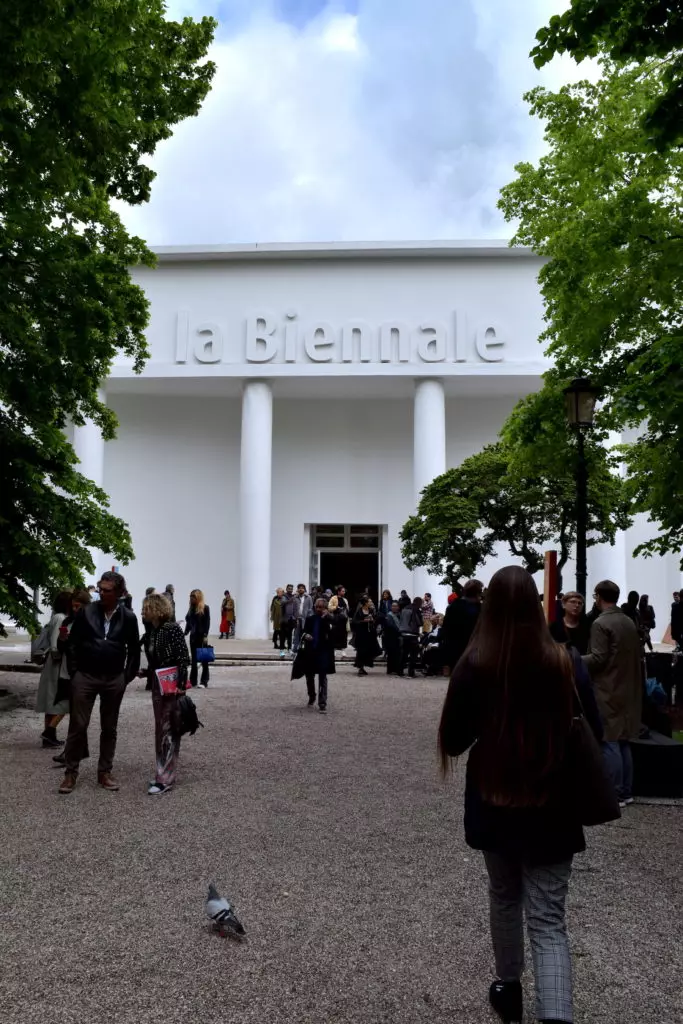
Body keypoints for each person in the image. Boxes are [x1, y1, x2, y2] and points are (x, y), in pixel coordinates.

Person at [439, 565, 602, 1024]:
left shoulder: (476, 663)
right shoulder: (565, 661)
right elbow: (595, 728)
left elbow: (453, 740)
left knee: (505, 894)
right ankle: (555, 1014)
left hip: (496, 798)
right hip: (554, 798)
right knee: (549, 918)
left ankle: (508, 985)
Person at [58, 571, 140, 795]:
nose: (101, 593)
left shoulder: (129, 617)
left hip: (113, 678)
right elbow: (73, 643)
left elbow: (134, 650)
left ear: (120, 593)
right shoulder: (87, 612)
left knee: (109, 727)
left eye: (107, 590)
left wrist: (126, 677)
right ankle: (70, 773)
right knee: (78, 725)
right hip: (85, 676)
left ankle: (104, 772)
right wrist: (75, 673)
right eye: (100, 589)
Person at [583, 580, 642, 808]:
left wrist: (573, 659)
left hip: (608, 686)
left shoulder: (601, 623)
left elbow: (598, 658)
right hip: (627, 686)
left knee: (609, 741)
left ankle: (615, 792)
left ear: (598, 596)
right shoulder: (627, 619)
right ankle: (626, 791)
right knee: (623, 741)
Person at [142, 593, 190, 794]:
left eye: (146, 608)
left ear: (156, 609)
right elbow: (154, 660)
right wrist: (146, 672)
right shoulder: (152, 631)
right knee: (161, 730)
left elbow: (183, 657)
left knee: (169, 730)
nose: (143, 611)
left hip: (171, 685)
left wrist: (180, 684)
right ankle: (161, 772)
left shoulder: (171, 629)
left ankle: (166, 778)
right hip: (158, 683)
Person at [36, 591, 73, 748]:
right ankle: (49, 732)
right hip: (58, 664)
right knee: (62, 701)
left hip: (54, 664)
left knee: (52, 702)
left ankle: (49, 736)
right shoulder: (60, 618)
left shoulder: (57, 616)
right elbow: (55, 645)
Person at [293, 597, 336, 713]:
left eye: (321, 607)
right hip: (310, 651)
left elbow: (333, 629)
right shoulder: (310, 619)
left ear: (325, 608)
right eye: (317, 607)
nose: (318, 609)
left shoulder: (329, 619)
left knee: (323, 676)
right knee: (309, 675)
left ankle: (322, 702)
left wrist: (326, 617)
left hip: (323, 651)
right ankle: (311, 695)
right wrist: (306, 635)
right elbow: (304, 631)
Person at [440, 579, 483, 672]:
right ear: (478, 593)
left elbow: (446, 629)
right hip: (474, 649)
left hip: (455, 649)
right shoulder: (480, 609)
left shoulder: (453, 606)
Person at [185, 589, 211, 687]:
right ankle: (193, 681)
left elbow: (207, 623)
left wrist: (205, 635)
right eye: (191, 597)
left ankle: (204, 681)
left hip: (202, 637)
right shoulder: (191, 609)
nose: (191, 599)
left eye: (193, 597)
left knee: (204, 660)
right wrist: (185, 632)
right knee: (194, 661)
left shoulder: (205, 608)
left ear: (198, 598)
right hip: (193, 637)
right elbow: (189, 622)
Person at [352, 595, 380, 676]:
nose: (371, 603)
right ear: (365, 603)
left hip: (369, 634)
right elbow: (354, 621)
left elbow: (375, 620)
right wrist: (363, 621)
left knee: (369, 650)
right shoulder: (359, 611)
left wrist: (372, 620)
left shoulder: (371, 610)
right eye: (369, 602)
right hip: (361, 633)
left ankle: (363, 666)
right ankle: (360, 667)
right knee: (361, 650)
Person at [399, 596, 423, 677]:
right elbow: (419, 622)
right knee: (413, 654)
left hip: (403, 633)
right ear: (419, 603)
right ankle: (411, 672)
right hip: (412, 634)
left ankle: (400, 671)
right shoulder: (416, 609)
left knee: (404, 653)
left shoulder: (404, 608)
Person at [279, 584, 299, 658]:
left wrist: (295, 618)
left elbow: (295, 608)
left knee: (290, 635)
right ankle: (281, 650)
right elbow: (283, 603)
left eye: (291, 589)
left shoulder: (293, 597)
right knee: (283, 635)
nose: (290, 590)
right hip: (284, 619)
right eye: (289, 588)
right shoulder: (284, 596)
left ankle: (289, 648)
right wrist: (290, 600)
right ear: (286, 589)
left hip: (291, 619)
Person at [383, 601, 403, 675]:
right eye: (393, 606)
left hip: (398, 637)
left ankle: (396, 669)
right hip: (391, 637)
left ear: (398, 607)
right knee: (391, 654)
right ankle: (390, 669)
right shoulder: (389, 615)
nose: (394, 607)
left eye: (396, 606)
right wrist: (399, 631)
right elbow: (390, 626)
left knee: (397, 654)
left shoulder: (399, 615)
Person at [292, 583, 313, 654]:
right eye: (299, 588)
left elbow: (310, 608)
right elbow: (293, 608)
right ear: (297, 589)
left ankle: (306, 648)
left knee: (305, 633)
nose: (301, 589)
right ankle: (295, 648)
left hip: (306, 618)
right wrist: (294, 618)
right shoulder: (295, 597)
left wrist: (309, 618)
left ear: (304, 589)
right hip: (298, 618)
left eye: (302, 588)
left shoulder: (308, 597)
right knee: (297, 634)